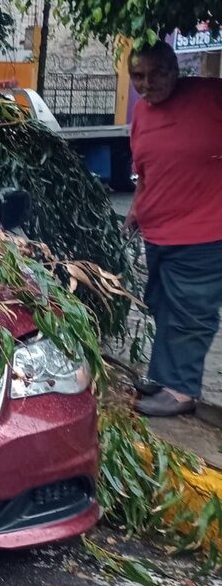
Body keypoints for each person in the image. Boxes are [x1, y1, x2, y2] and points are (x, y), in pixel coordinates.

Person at [126, 40, 222, 417]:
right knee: (163, 307)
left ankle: (181, 391)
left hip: (204, 233)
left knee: (191, 313)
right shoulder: (142, 115)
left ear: (175, 70)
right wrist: (135, 209)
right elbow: (146, 171)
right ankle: (164, 377)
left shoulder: (210, 96)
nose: (147, 84)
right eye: (138, 76)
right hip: (158, 232)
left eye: (157, 74)